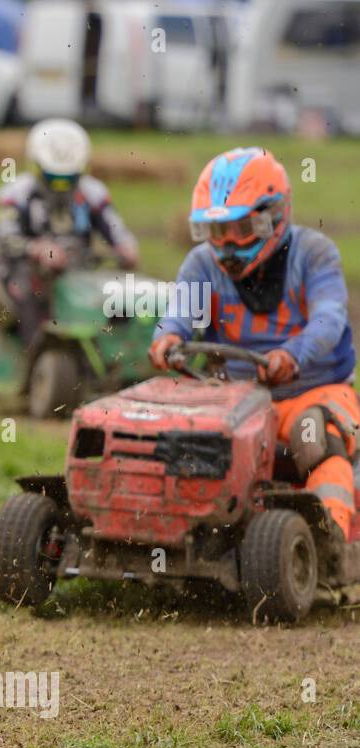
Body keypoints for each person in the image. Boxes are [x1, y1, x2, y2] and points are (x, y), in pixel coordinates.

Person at [151, 146, 358, 538]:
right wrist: (167, 339)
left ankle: (329, 541)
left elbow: (329, 319)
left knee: (316, 435)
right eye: (217, 232)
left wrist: (291, 356)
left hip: (313, 393)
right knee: (178, 437)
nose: (227, 247)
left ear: (272, 218)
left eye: (240, 231)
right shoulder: (201, 264)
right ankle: (183, 532)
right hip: (234, 398)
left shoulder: (314, 255)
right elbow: (179, 314)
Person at [0, 118, 139, 345]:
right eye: (53, 178)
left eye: (68, 179)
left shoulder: (93, 194)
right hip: (25, 274)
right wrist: (37, 249)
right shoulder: (17, 194)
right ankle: (37, 357)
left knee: (124, 300)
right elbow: (6, 237)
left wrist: (126, 248)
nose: (61, 187)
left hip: (80, 273)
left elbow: (115, 228)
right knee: (32, 296)